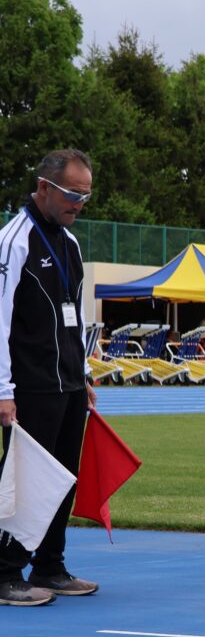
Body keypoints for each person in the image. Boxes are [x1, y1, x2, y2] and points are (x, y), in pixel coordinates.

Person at [0, 149, 99, 606]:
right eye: (72, 194)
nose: (79, 204)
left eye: (86, 195)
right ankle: (4, 572)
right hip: (29, 385)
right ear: (44, 187)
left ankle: (50, 565)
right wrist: (3, 390)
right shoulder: (14, 240)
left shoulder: (72, 245)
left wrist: (85, 374)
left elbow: (76, 317)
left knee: (63, 478)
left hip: (68, 384)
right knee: (23, 481)